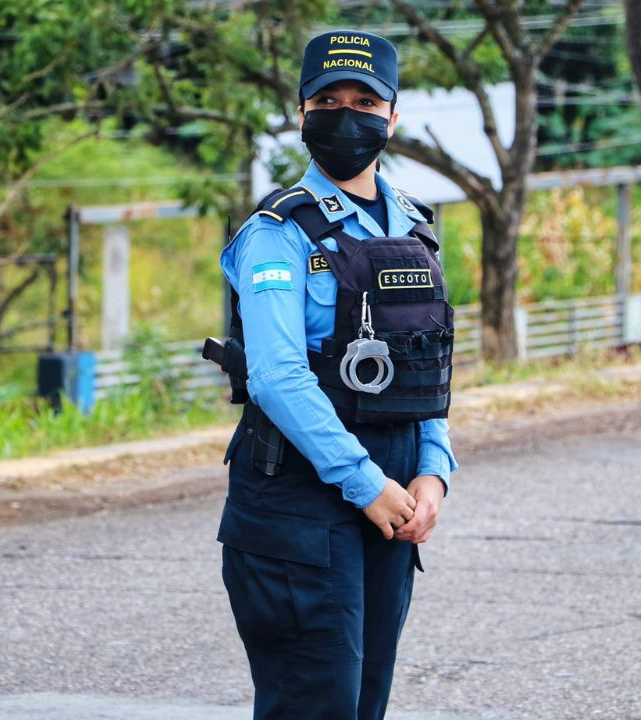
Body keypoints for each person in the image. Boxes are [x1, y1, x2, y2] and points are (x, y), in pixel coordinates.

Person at [215, 29, 458, 720]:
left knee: (363, 701)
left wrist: (433, 469)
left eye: (364, 102)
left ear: (393, 116)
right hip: (299, 498)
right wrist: (365, 483)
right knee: (315, 704)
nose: (345, 116)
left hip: (393, 494)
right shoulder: (277, 232)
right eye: (327, 101)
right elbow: (277, 377)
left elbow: (427, 362)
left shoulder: (413, 226)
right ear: (302, 113)